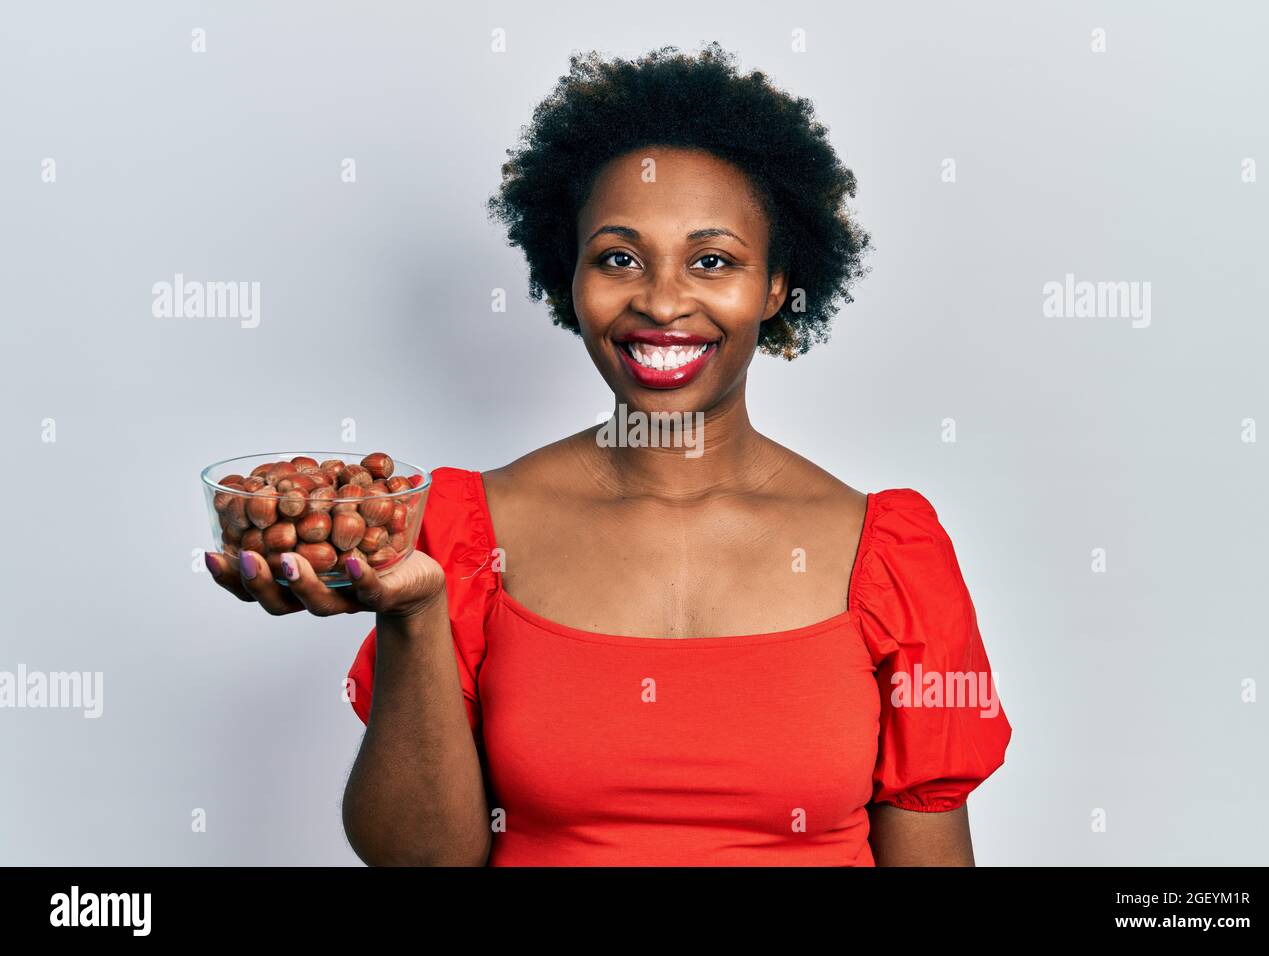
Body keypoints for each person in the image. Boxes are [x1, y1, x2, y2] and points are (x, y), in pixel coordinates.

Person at [205, 42, 1011, 866]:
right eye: (619, 257)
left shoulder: (892, 557)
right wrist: (412, 616)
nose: (662, 300)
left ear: (775, 286)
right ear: (573, 276)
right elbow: (421, 860)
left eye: (713, 261)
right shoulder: (463, 532)